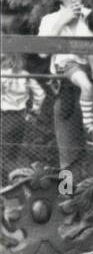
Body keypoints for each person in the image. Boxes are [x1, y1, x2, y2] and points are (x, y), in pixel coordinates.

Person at [37, 0, 93, 148]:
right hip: (66, 89)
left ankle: (92, 134)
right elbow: (41, 53)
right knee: (68, 151)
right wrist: (61, 23)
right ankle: (70, 176)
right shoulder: (49, 20)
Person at [1, 53, 46, 183]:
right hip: (20, 116)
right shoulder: (25, 75)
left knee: (4, 152)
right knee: (14, 151)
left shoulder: (2, 73)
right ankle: (12, 182)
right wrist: (34, 111)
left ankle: (8, 182)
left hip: (4, 115)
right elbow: (41, 94)